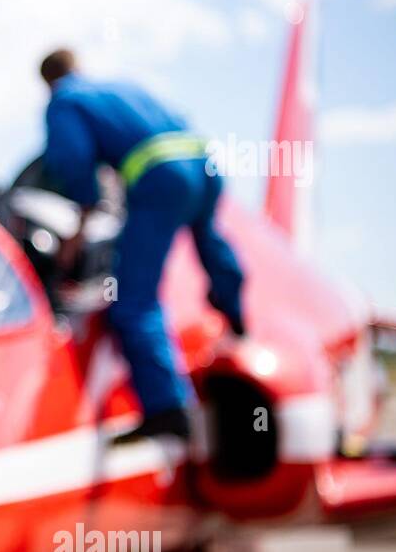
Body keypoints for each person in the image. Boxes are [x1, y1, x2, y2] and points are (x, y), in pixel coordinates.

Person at [41, 48, 246, 444]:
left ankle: (167, 409)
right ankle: (238, 317)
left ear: (49, 81)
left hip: (161, 178)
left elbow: (73, 157)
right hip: (203, 166)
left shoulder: (64, 100)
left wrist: (79, 225)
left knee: (134, 300)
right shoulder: (120, 86)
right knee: (212, 246)